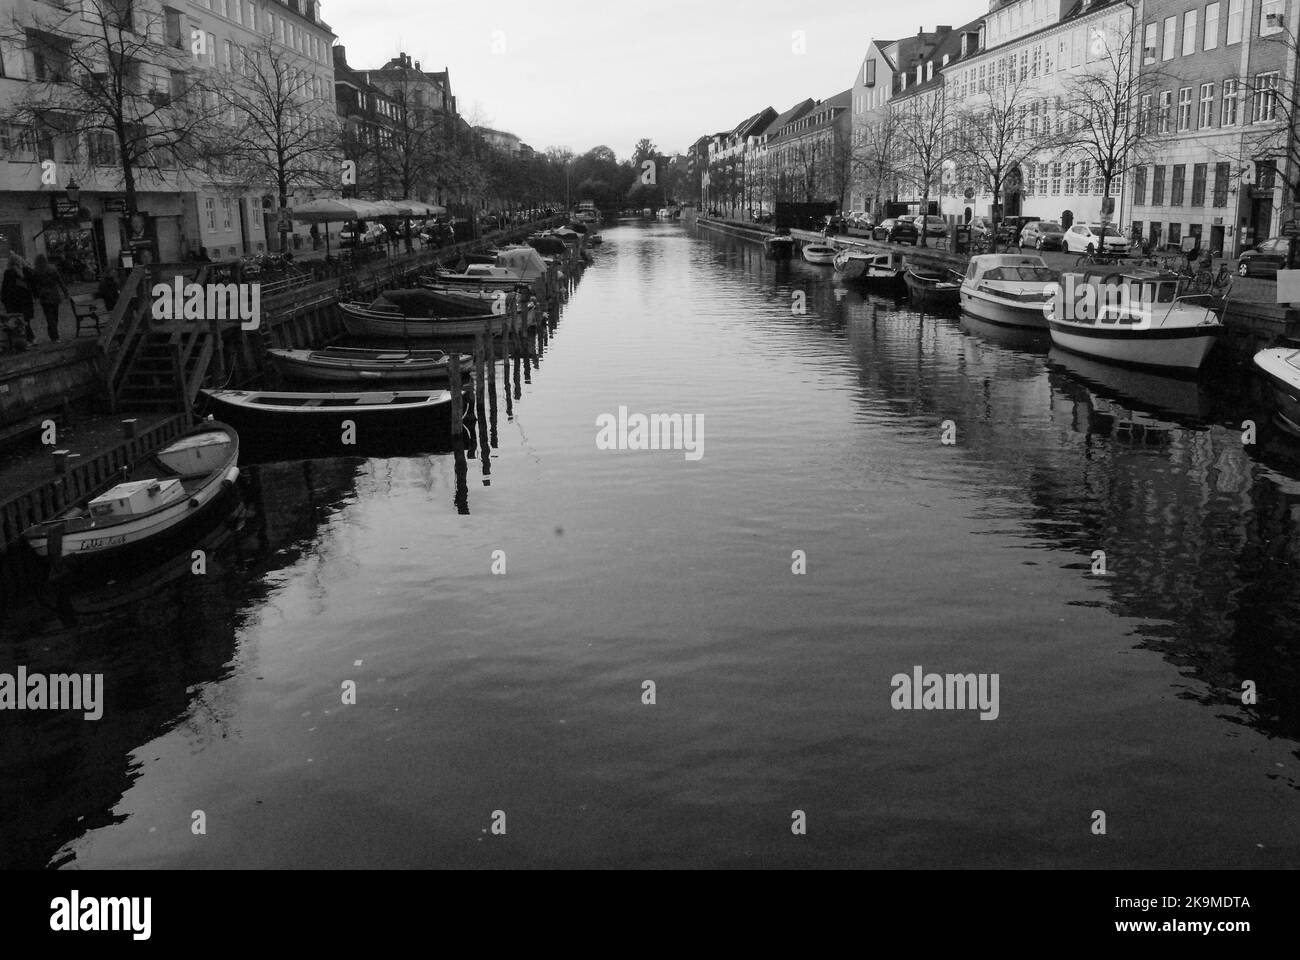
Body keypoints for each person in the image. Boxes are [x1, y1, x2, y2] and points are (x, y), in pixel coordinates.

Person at [29, 254, 68, 342]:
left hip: (44, 296)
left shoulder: (36, 272)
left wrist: (36, 295)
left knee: (49, 316)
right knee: (55, 315)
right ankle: (54, 334)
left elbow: (34, 286)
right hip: (54, 294)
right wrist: (65, 293)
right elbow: (60, 282)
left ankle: (53, 335)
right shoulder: (52, 270)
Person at [1, 254, 36, 343]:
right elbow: (33, 281)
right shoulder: (26, 271)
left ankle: (27, 339)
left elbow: (5, 288)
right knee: (25, 321)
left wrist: (4, 300)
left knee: (17, 321)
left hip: (14, 302)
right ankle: (29, 339)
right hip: (25, 300)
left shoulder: (8, 273)